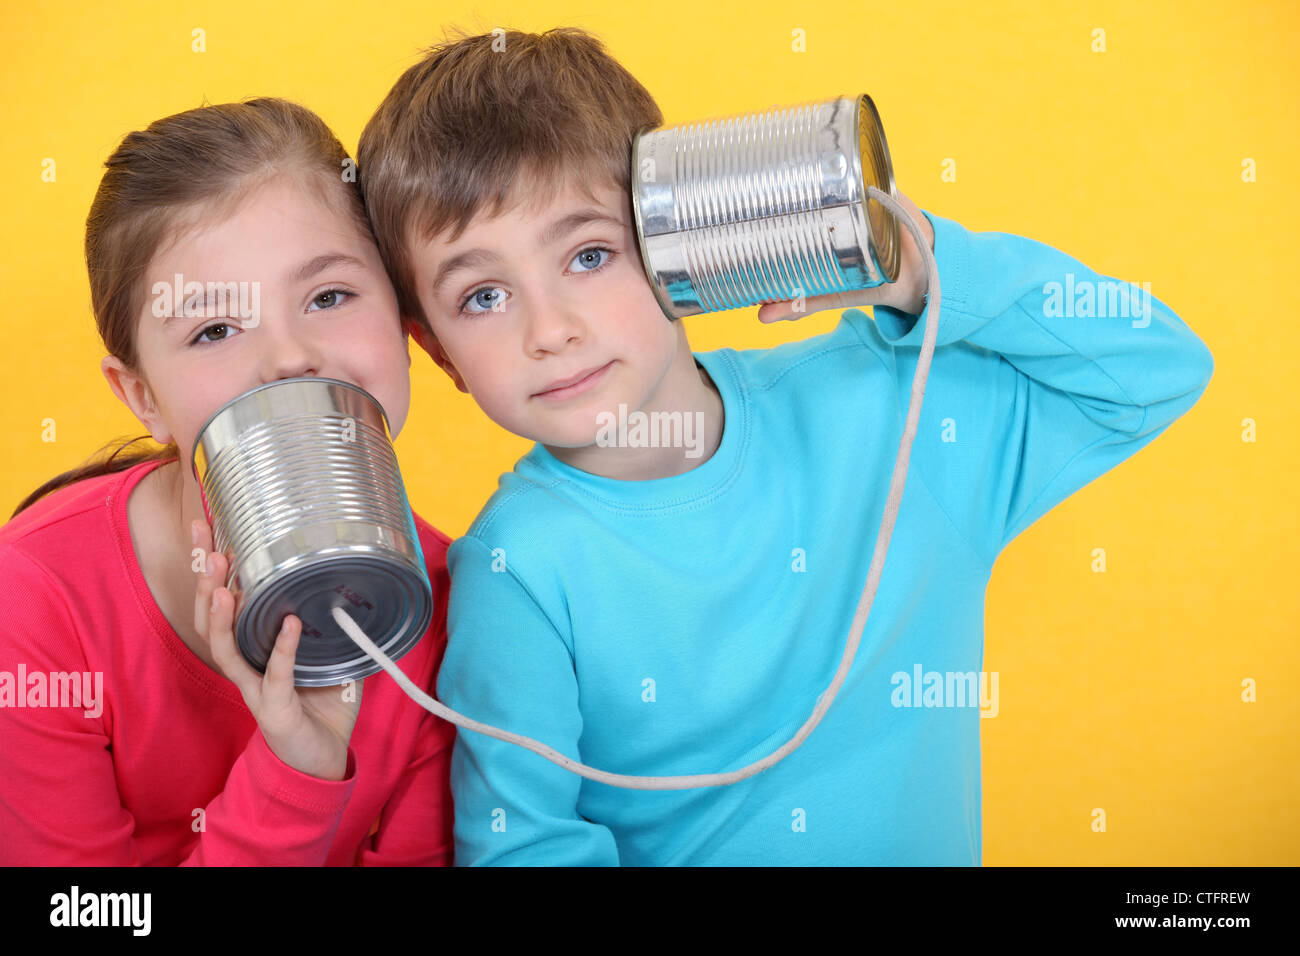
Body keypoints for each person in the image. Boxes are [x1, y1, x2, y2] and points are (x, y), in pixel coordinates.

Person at [356, 27, 1215, 865]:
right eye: (482, 298)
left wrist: (920, 272)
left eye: (589, 255)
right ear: (440, 355)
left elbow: (1155, 368)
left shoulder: (888, 408)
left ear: (676, 236)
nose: (550, 330)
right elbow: (526, 846)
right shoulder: (516, 572)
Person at [0, 98, 455, 865]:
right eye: (213, 329)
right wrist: (296, 772)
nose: (287, 357)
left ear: (407, 322)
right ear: (144, 397)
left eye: (329, 297)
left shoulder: (445, 602)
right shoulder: (34, 604)